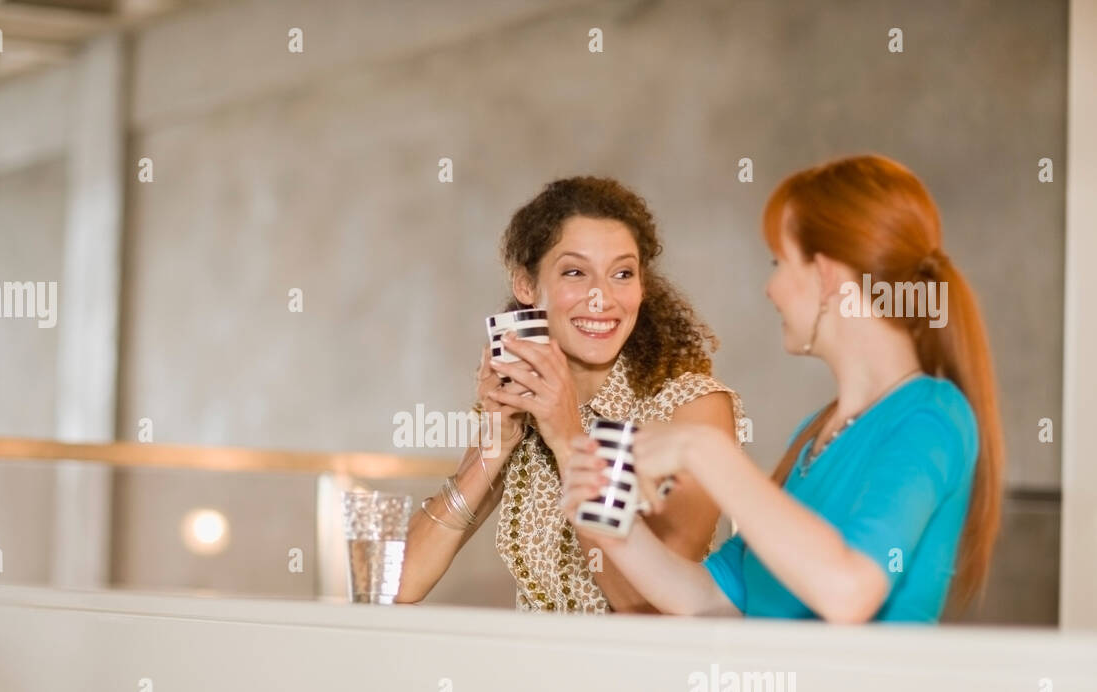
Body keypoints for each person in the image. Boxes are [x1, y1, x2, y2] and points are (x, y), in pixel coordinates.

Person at [559, 155, 1004, 623]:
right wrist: (611, 527)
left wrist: (703, 450)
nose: (770, 287)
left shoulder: (929, 417)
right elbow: (707, 597)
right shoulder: (813, 437)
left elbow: (848, 591)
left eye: (779, 261)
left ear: (826, 275)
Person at [397, 176, 743, 612]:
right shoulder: (527, 401)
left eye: (622, 273)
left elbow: (650, 608)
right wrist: (492, 448)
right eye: (575, 273)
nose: (602, 298)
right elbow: (400, 585)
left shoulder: (693, 408)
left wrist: (569, 441)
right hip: (537, 670)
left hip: (642, 674)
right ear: (526, 286)